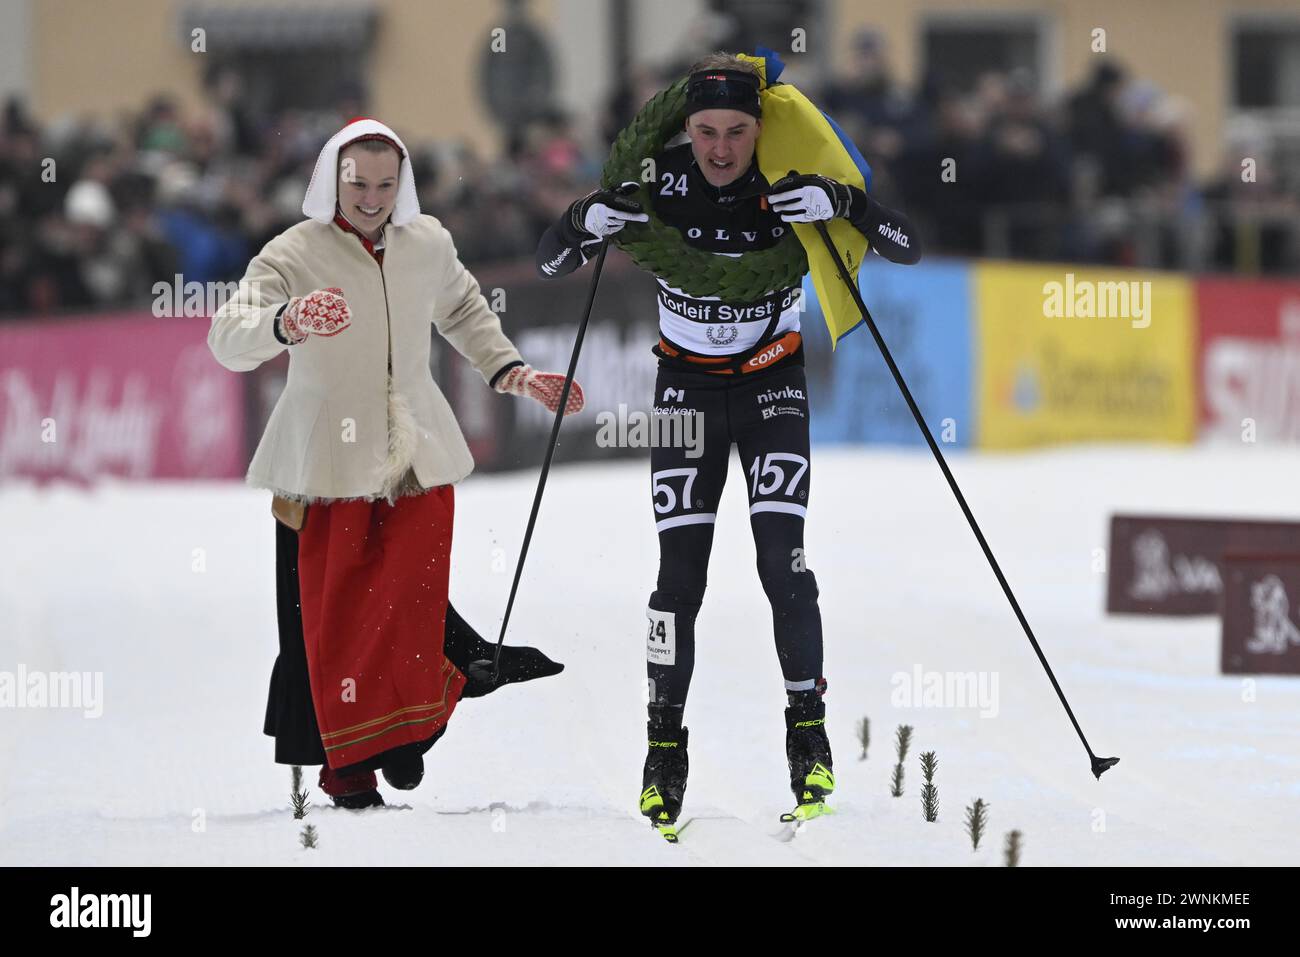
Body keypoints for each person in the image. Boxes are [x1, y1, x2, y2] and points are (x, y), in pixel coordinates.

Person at [535, 54, 921, 830]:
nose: (720, 148)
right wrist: (584, 221)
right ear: (686, 129)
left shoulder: (785, 178)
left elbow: (906, 244)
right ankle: (663, 751)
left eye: (736, 132)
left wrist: (844, 201)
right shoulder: (660, 178)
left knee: (785, 561)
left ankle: (808, 737)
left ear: (759, 129)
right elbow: (550, 261)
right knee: (678, 576)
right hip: (685, 390)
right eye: (706, 131)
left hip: (771, 385)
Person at [209, 117, 582, 809]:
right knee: (338, 618)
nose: (373, 198)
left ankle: (402, 735)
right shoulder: (293, 251)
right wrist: (286, 320)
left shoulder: (429, 243)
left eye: (386, 184)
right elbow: (227, 337)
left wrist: (513, 371)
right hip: (325, 464)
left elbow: (467, 309)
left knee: (410, 606)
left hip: (416, 453)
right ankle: (352, 764)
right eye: (358, 184)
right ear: (331, 180)